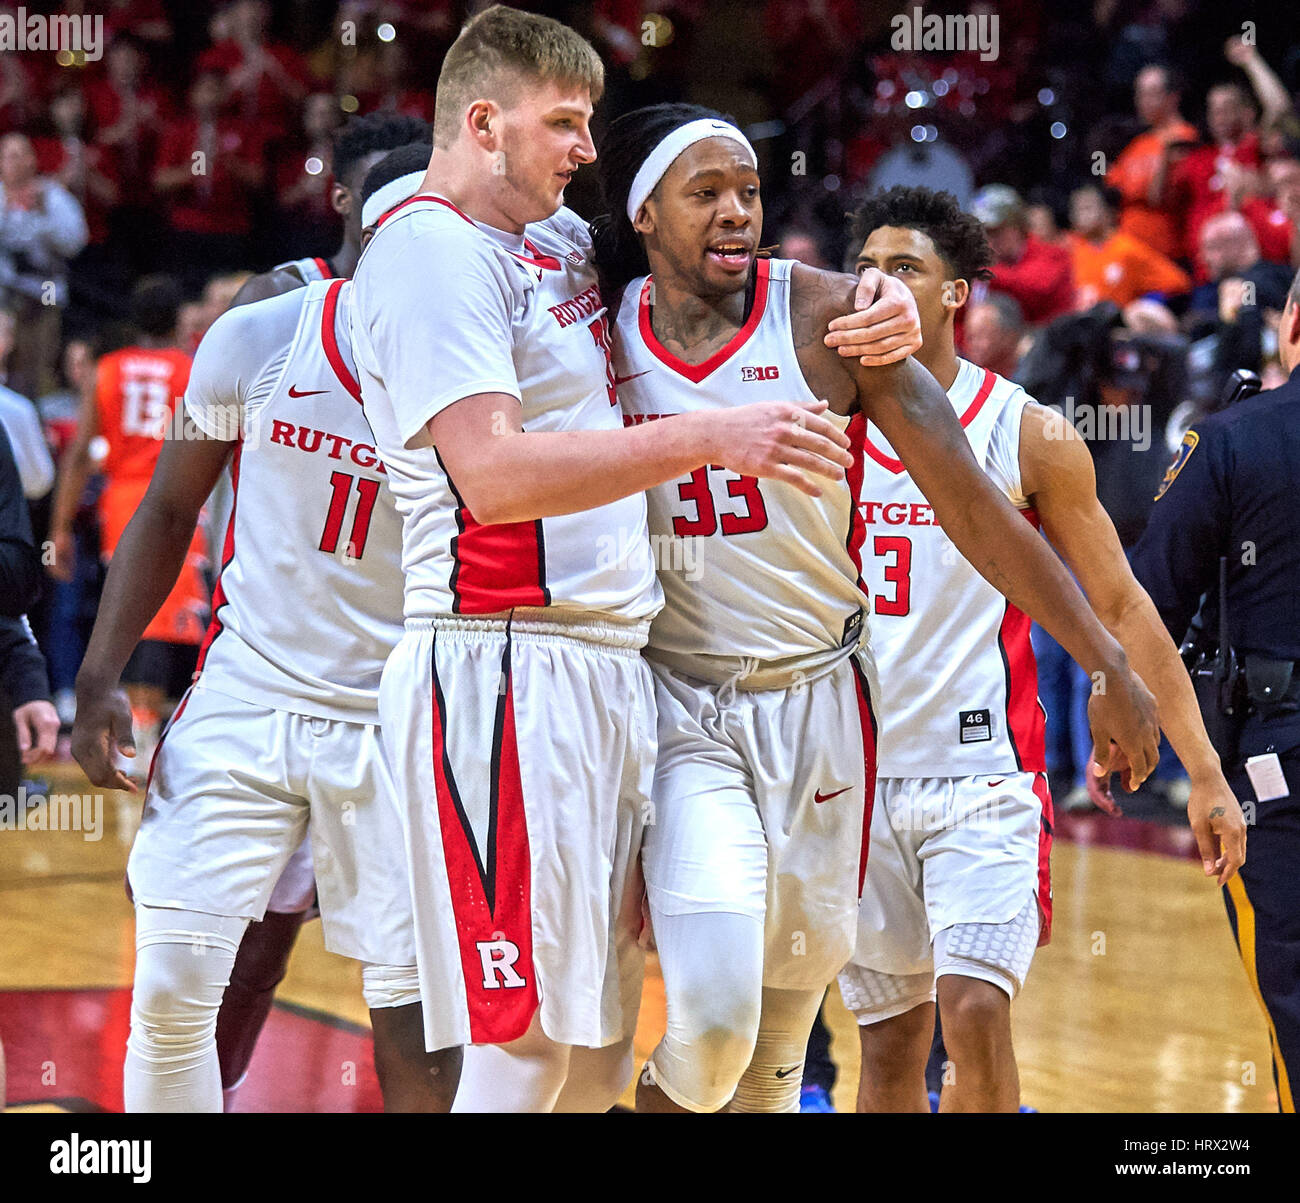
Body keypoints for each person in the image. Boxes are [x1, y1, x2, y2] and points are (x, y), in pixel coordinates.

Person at [348, 4, 914, 1114]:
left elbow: (705, 255)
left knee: (598, 1052)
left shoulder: (555, 237)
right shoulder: (429, 253)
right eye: (563, 123)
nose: (585, 149)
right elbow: (493, 475)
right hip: (503, 664)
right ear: (482, 124)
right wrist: (712, 435)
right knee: (521, 1046)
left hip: (608, 671)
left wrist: (868, 293)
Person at [596, 116, 1161, 1115]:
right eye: (704, 193)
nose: (735, 213)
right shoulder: (594, 329)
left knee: (775, 1057)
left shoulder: (828, 319)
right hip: (683, 705)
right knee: (716, 1019)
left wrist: (1107, 663)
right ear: (642, 213)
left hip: (822, 703)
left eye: (749, 191)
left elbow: (977, 509)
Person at [836, 185, 1244, 1112]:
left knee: (975, 1011)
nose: (878, 284)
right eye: (865, 268)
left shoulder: (1026, 431)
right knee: (888, 1046)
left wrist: (1205, 769)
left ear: (956, 293)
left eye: (905, 267)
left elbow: (1123, 604)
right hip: (855, 774)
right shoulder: (826, 418)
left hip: (986, 771)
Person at [71, 163, 454, 1113]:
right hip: (251, 694)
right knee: (172, 988)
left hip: (403, 713)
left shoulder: (485, 369)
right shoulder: (260, 335)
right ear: (360, 242)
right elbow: (167, 510)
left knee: (415, 1017)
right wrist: (97, 675)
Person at [213, 129, 428, 1110]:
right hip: (273, 650)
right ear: (343, 200)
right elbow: (196, 475)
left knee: (405, 969)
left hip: (398, 676)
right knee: (248, 939)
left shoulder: (443, 321)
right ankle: (205, 1090)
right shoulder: (277, 302)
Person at [1131, 268, 1300, 1114]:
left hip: (1278, 757)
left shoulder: (1232, 439)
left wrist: (1125, 722)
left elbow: (1146, 604)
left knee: (1293, 996)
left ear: (1291, 324)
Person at [50, 276, 206, 774]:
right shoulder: (191, 368)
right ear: (177, 320)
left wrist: (59, 529)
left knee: (129, 609)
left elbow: (79, 455)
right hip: (178, 497)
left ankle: (136, 730)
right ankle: (142, 732)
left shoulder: (107, 369)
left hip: (119, 503)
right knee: (161, 618)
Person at [234, 109, 431, 306]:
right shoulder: (275, 293)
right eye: (379, 190)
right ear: (341, 199)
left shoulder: (436, 290)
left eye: (411, 193)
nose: (398, 205)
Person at [0, 133, 89, 398]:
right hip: (4, 293)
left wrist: (43, 216)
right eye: (8, 156)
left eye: (21, 155)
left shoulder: (52, 196)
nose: (15, 163)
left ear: (32, 160)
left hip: (43, 290)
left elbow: (76, 242)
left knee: (38, 369)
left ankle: (38, 410)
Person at [1106, 64, 1200, 261]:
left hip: (1166, 254)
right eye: (1139, 94)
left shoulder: (1185, 138)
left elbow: (1161, 195)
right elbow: (1113, 189)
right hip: (1130, 253)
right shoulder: (1138, 143)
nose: (1143, 101)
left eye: (1151, 94)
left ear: (1173, 97)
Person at [1068, 183, 1190, 309]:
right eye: (1076, 210)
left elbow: (1178, 283)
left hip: (1122, 316)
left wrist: (1144, 305)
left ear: (1108, 212)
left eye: (1087, 208)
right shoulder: (1072, 252)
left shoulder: (1127, 249)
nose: (1081, 216)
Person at [969, 185, 1075, 325]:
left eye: (995, 231)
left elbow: (1034, 289)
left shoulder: (1052, 255)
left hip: (1050, 334)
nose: (988, 240)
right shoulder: (985, 264)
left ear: (1017, 226)